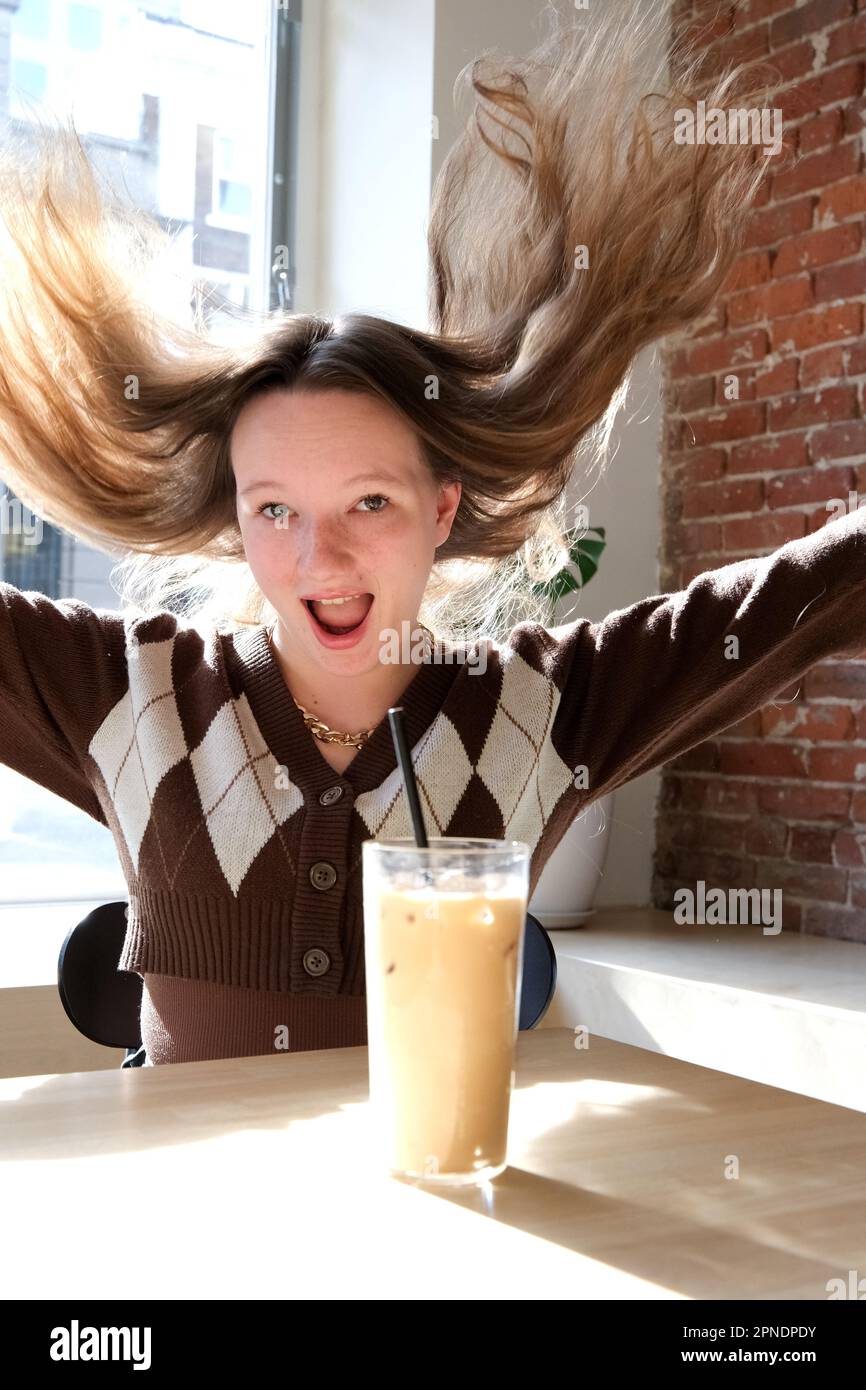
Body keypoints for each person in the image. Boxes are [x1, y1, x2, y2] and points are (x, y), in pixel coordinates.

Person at [1, 4, 861, 1065]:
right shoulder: (127, 696)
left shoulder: (546, 712)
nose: (319, 555)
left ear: (440, 510)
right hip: (188, 1219)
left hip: (443, 1212)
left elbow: (801, 599)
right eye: (276, 509)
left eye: (369, 502)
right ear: (238, 518)